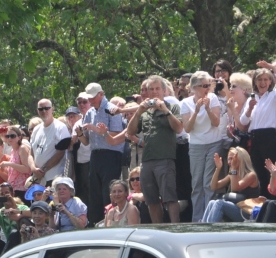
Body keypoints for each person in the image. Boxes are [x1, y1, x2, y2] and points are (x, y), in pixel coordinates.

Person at [116, 75, 182, 223]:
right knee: (151, 199)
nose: (154, 92)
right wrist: (139, 111)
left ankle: (175, 227)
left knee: (169, 197)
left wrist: (165, 110)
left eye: (157, 88)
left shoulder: (172, 107)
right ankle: (158, 228)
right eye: (151, 89)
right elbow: (131, 131)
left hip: (165, 159)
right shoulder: (144, 111)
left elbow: (178, 128)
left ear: (164, 90)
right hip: (147, 161)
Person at [180, 71, 227, 217]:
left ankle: (209, 218)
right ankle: (197, 219)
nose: (207, 88)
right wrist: (197, 110)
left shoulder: (213, 98)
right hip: (196, 145)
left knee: (208, 183)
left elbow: (216, 123)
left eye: (208, 85)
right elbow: (187, 128)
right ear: (194, 87)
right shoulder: (185, 103)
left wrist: (206, 108)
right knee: (196, 185)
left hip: (214, 143)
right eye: (204, 86)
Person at [81, 82, 127, 225]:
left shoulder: (112, 110)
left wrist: (95, 129)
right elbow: (86, 141)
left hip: (111, 155)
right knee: (94, 192)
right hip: (95, 155)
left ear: (101, 94)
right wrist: (80, 133)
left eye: (93, 97)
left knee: (109, 191)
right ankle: (95, 222)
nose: (90, 100)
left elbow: (116, 134)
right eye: (89, 98)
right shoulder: (90, 112)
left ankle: (111, 222)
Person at [200, 146, 259, 223]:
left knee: (219, 203)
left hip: (247, 213)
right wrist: (218, 168)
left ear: (241, 159)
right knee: (212, 202)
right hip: (236, 209)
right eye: (229, 159)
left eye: (232, 158)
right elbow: (214, 186)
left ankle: (210, 231)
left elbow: (235, 188)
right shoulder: (233, 173)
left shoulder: (251, 175)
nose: (229, 162)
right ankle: (204, 230)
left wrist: (233, 169)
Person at [29, 98, 72, 186]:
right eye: (41, 109)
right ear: (37, 111)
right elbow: (30, 154)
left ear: (52, 109)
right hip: (38, 179)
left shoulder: (60, 127)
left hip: (54, 178)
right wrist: (33, 169)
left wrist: (43, 169)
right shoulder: (36, 129)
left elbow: (61, 153)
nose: (44, 111)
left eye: (46, 108)